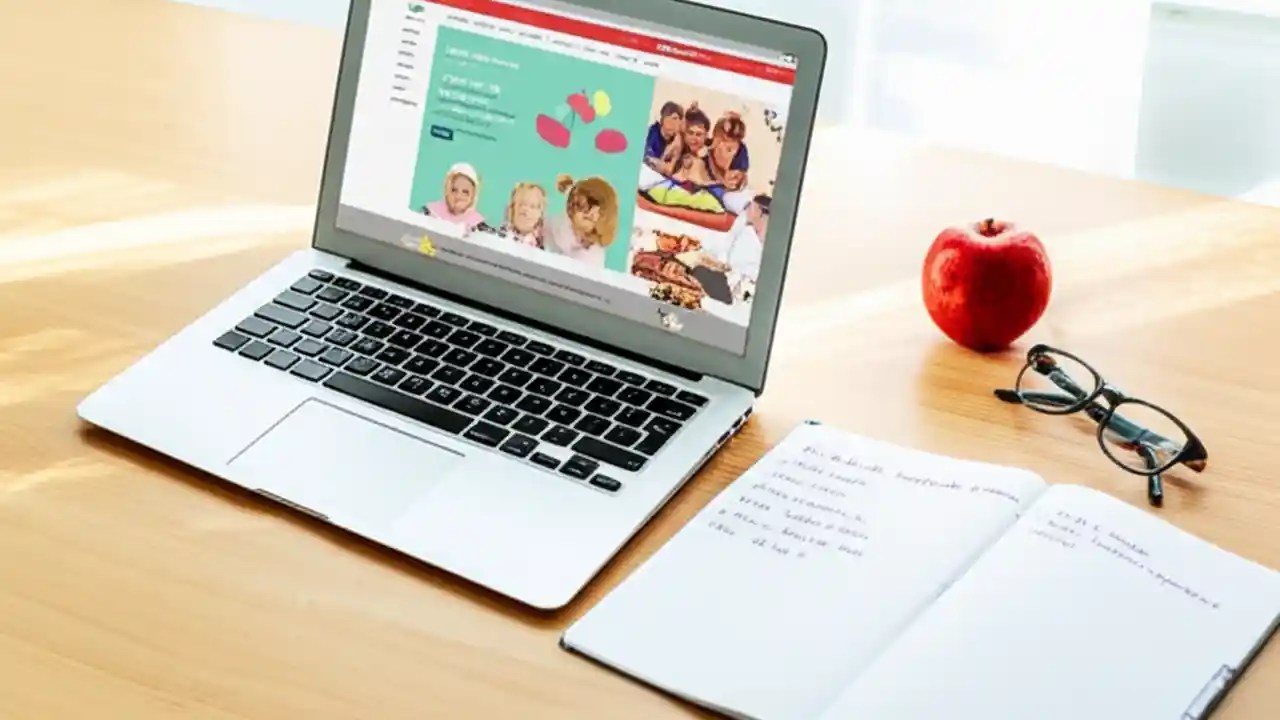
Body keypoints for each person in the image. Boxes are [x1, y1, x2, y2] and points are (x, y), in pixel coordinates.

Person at [679, 194, 770, 302]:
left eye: (751, 208)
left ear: (759, 212)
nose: (748, 209)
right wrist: (720, 261)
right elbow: (729, 238)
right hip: (725, 264)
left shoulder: (764, 240)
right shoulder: (745, 225)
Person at [543, 174, 618, 268]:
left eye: (598, 211)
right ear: (571, 206)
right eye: (582, 206)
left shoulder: (595, 256)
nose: (590, 213)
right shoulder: (551, 226)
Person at [422, 162, 486, 229]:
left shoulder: (477, 225)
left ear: (473, 197)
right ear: (447, 191)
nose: (458, 196)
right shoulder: (430, 212)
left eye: (465, 192)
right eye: (454, 190)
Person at [499, 182, 546, 248]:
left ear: (540, 215)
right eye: (521, 204)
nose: (525, 209)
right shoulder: (499, 237)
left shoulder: (543, 246)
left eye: (532, 206)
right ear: (511, 209)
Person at [644, 102, 684, 171]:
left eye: (679, 120)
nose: (677, 124)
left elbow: (669, 170)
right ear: (663, 118)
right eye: (674, 118)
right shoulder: (653, 131)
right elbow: (646, 159)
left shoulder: (676, 141)